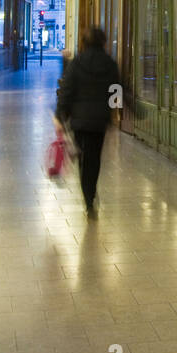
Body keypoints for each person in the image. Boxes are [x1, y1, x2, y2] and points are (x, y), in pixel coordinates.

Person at [55, 26, 121, 218]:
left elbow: (67, 91)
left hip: (79, 120)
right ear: (103, 42)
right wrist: (113, 112)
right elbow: (116, 90)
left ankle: (88, 197)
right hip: (99, 121)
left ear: (84, 42)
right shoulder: (109, 63)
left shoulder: (77, 63)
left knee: (83, 158)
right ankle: (91, 194)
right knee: (95, 158)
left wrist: (61, 114)